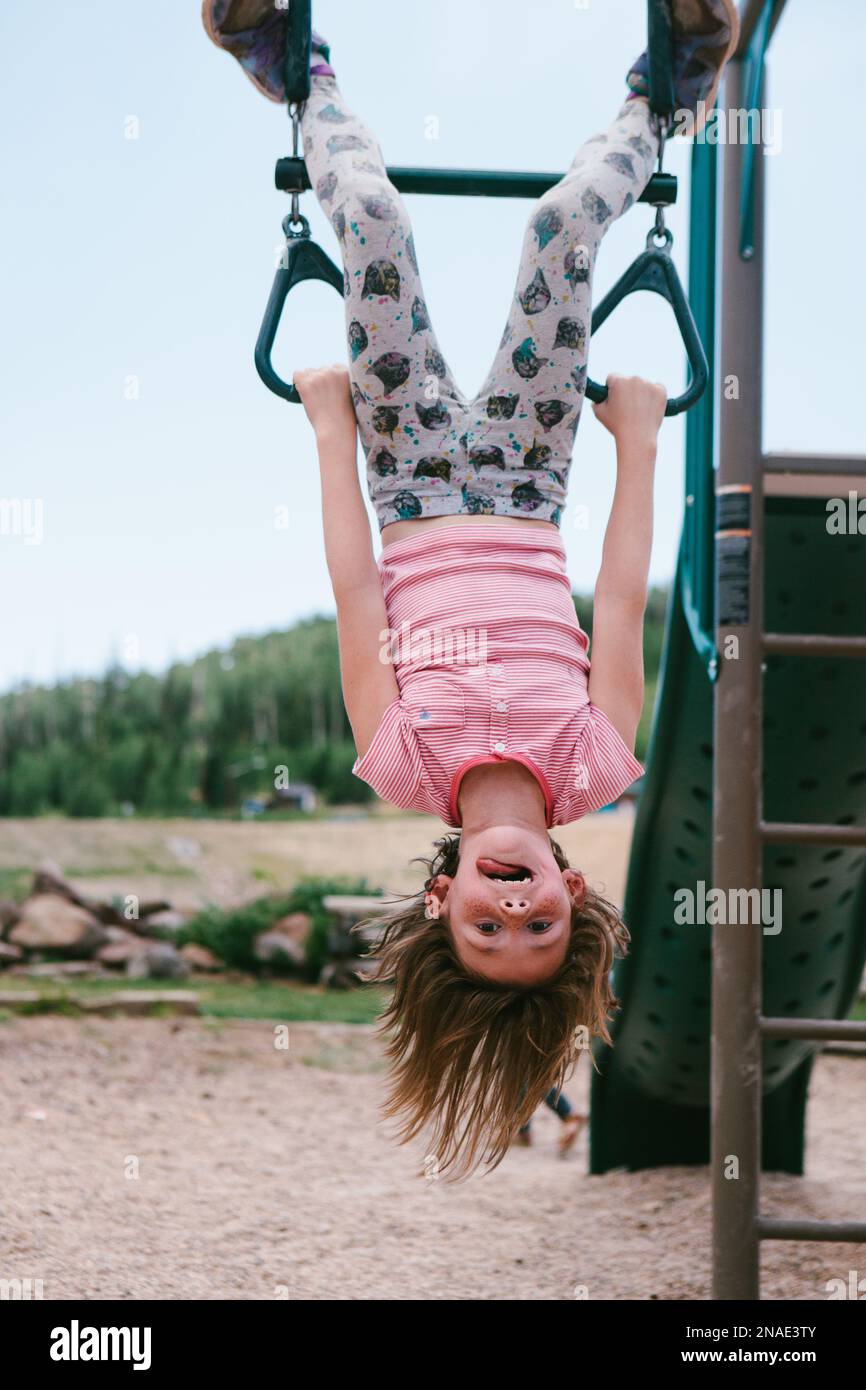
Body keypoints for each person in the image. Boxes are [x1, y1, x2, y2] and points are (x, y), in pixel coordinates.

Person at [203, 1, 740, 1177]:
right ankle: (672, 86)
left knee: (377, 225)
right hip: (525, 473)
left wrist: (331, 435)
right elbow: (615, 591)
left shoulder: (399, 758)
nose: (511, 910)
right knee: (557, 227)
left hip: (402, 479)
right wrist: (637, 448)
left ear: (441, 892)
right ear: (569, 888)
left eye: (484, 929)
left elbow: (355, 598)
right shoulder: (597, 760)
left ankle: (292, 67)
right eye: (537, 926)